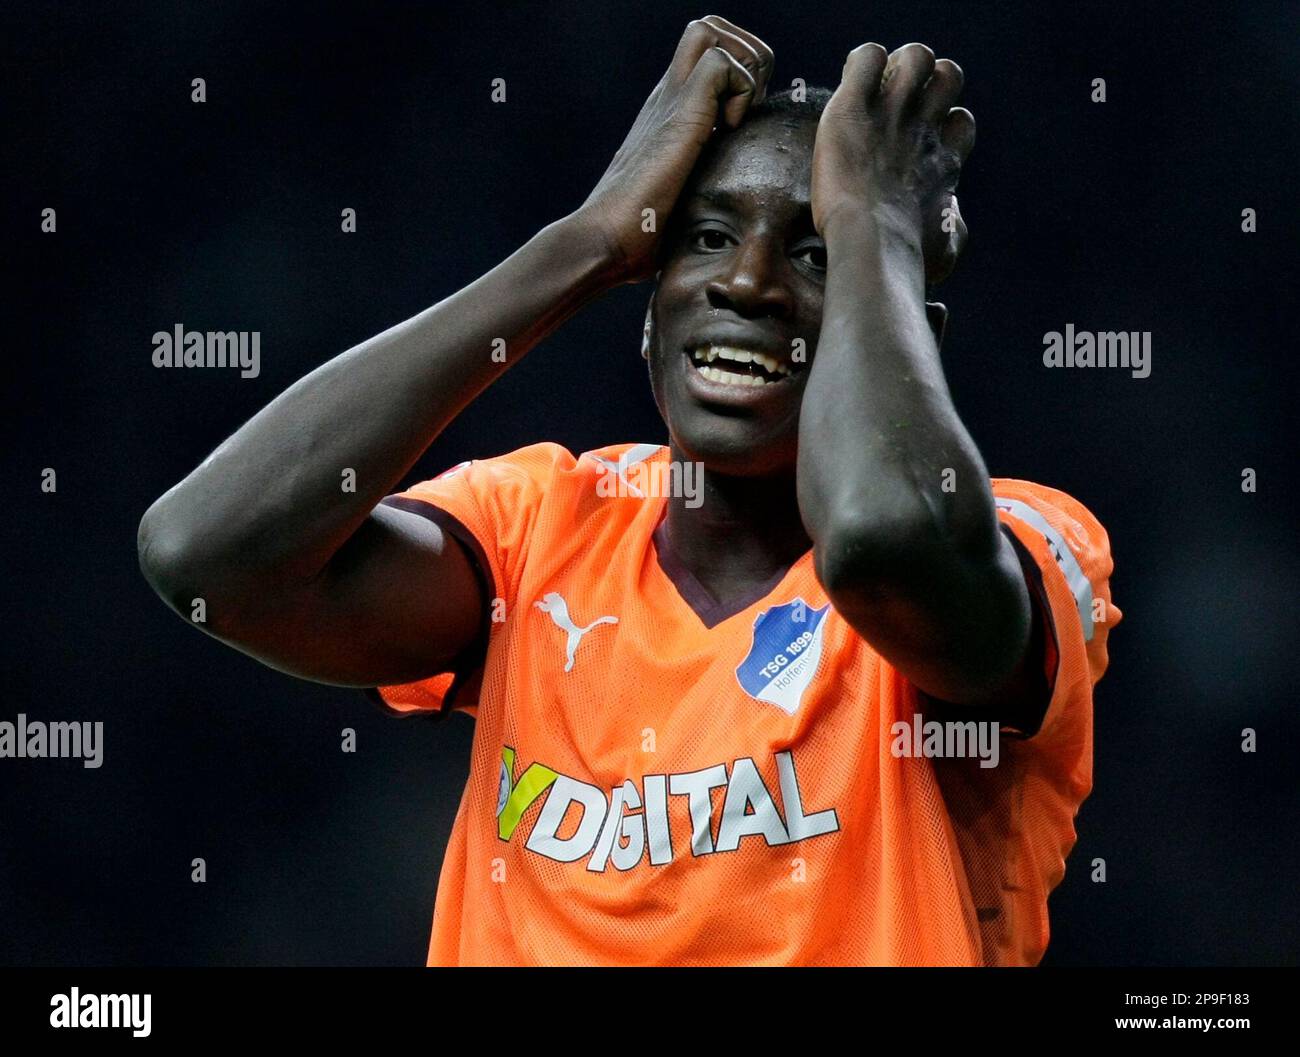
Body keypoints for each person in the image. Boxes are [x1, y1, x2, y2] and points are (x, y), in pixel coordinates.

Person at [138, 17, 1120, 965]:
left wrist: (876, 225)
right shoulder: (538, 526)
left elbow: (874, 539)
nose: (747, 281)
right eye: (702, 239)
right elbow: (203, 558)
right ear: (648, 321)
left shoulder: (1028, 542)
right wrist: (591, 239)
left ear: (903, 324)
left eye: (816, 252)